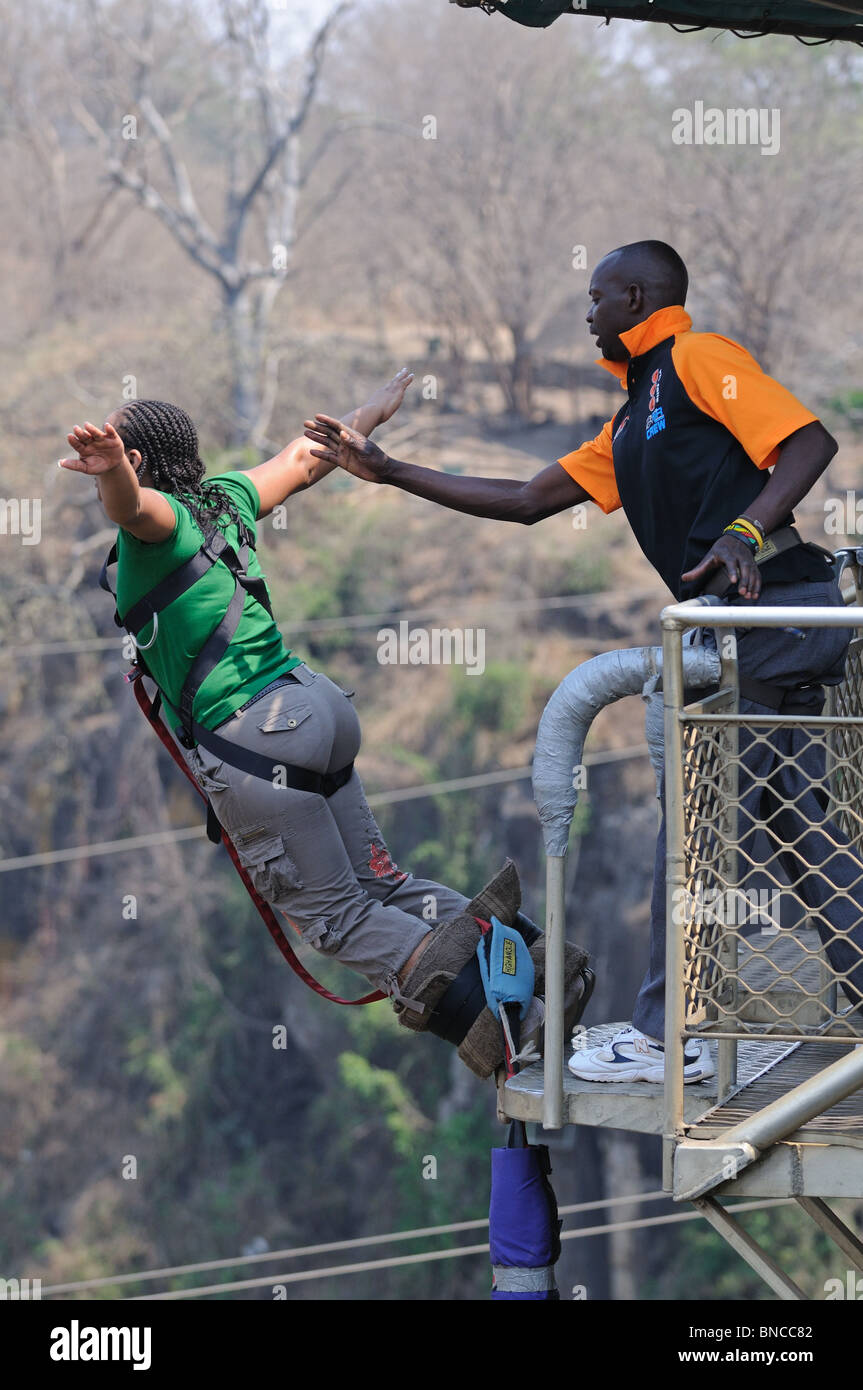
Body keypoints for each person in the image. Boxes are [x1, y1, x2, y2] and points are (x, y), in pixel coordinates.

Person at [304, 239, 863, 1084]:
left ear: (637, 298)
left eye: (598, 298)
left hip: (774, 617)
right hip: (747, 632)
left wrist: (744, 531)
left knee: (691, 834)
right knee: (793, 827)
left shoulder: (698, 360)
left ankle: (664, 1037)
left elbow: (808, 444)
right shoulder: (637, 410)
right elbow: (530, 500)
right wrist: (388, 472)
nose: (588, 314)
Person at [59, 374, 591, 1078]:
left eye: (120, 444)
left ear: (144, 462)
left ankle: (509, 1021)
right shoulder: (227, 497)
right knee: (383, 885)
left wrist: (115, 476)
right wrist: (370, 411)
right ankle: (540, 964)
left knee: (338, 917)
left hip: (253, 740)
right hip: (313, 712)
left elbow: (135, 509)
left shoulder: (154, 523)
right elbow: (310, 455)